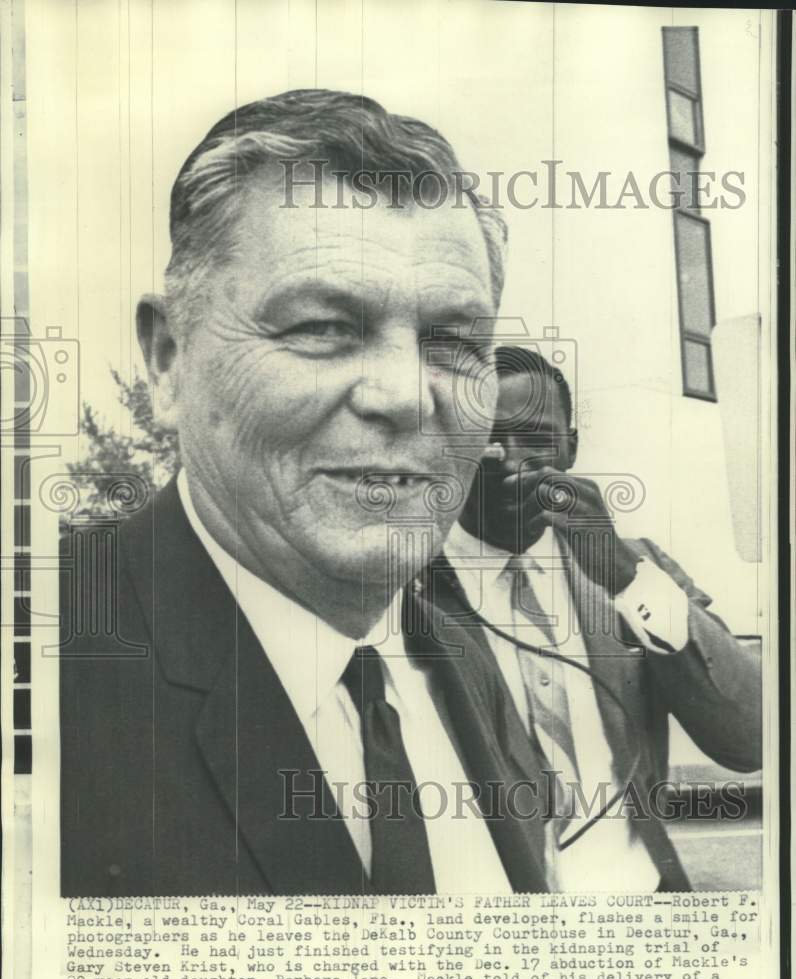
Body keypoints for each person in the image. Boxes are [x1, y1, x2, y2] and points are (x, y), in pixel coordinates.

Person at [59, 90, 548, 896]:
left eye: (455, 342)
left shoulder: (464, 655)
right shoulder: (44, 663)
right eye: (324, 327)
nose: (404, 395)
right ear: (168, 359)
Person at [429, 346, 762, 891]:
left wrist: (628, 579)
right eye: (486, 439)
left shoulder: (633, 566)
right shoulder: (401, 584)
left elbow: (752, 740)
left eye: (537, 439)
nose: (513, 463)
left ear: (571, 447)